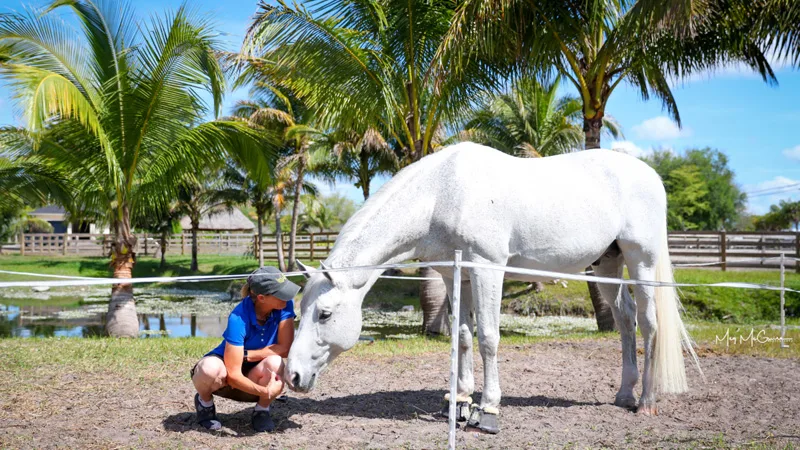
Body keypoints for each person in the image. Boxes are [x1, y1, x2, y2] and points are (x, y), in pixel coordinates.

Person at [190, 266, 299, 432]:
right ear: (261, 298)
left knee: (276, 362)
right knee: (208, 369)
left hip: (255, 369)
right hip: (227, 376)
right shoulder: (238, 317)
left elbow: (284, 349)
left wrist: (249, 355)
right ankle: (205, 404)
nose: (288, 296)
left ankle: (262, 411)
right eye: (281, 293)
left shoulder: (284, 305)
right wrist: (266, 391)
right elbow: (233, 375)